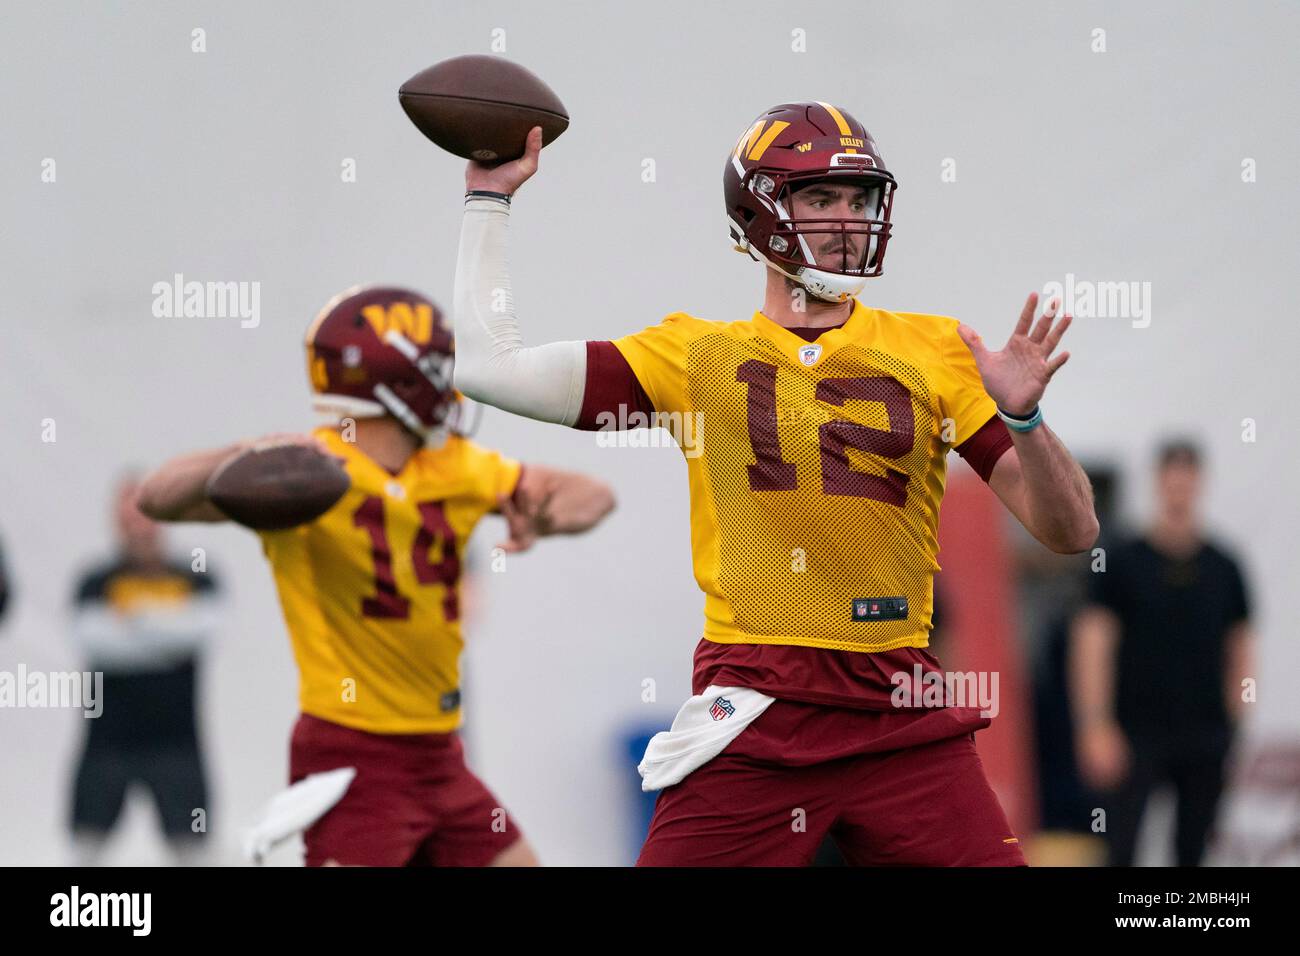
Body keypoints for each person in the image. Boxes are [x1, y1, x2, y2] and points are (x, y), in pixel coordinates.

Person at [451, 104, 1099, 865]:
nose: (847, 219)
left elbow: (1072, 530)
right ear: (759, 212)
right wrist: (488, 201)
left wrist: (1026, 421)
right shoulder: (696, 355)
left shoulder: (936, 349)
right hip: (758, 705)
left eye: (858, 199)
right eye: (821, 198)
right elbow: (489, 368)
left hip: (899, 705)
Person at [138, 286, 615, 866]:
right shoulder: (302, 478)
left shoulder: (455, 468)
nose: (451, 387)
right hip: (352, 751)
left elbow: (595, 497)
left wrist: (544, 510)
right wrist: (244, 454)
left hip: (440, 751)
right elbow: (156, 497)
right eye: (438, 370)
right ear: (404, 383)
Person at [1071, 439, 1253, 866]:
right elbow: (1092, 645)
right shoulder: (1121, 562)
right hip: (1134, 733)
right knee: (1122, 847)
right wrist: (1095, 725)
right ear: (1158, 483)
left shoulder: (1224, 567)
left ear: (1199, 484)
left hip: (1205, 733)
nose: (1179, 490)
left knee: (1193, 848)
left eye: (1188, 480)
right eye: (1171, 480)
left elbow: (1241, 646)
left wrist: (1236, 718)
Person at [69, 476, 221, 865]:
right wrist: (166, 635)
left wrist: (131, 621)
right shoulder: (94, 581)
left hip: (178, 746)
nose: (140, 527)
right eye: (130, 517)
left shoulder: (197, 578)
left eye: (147, 515)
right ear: (116, 522)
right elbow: (95, 644)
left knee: (195, 851)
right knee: (85, 853)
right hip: (106, 746)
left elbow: (203, 631)